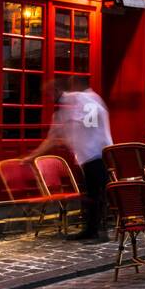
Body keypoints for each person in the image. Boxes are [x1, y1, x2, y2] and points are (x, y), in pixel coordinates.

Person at [31, 82, 113, 242]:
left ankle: (97, 232)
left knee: (96, 195)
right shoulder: (67, 108)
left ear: (56, 90)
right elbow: (53, 139)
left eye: (48, 94)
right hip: (87, 155)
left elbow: (92, 123)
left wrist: (89, 139)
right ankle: (90, 230)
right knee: (91, 195)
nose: (47, 98)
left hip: (96, 155)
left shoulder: (78, 101)